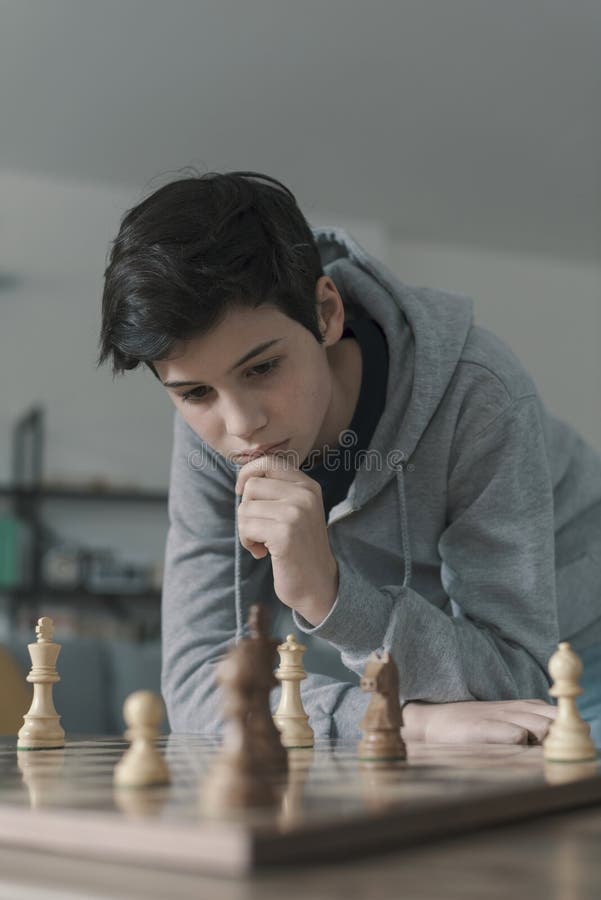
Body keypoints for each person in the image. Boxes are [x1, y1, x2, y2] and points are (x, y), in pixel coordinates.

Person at [98, 171, 601, 746]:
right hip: (428, 689)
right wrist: (403, 720)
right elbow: (196, 681)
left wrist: (328, 593)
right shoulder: (209, 438)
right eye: (194, 394)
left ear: (326, 313)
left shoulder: (479, 392)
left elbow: (518, 676)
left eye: (262, 368)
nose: (241, 427)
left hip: (576, 648)